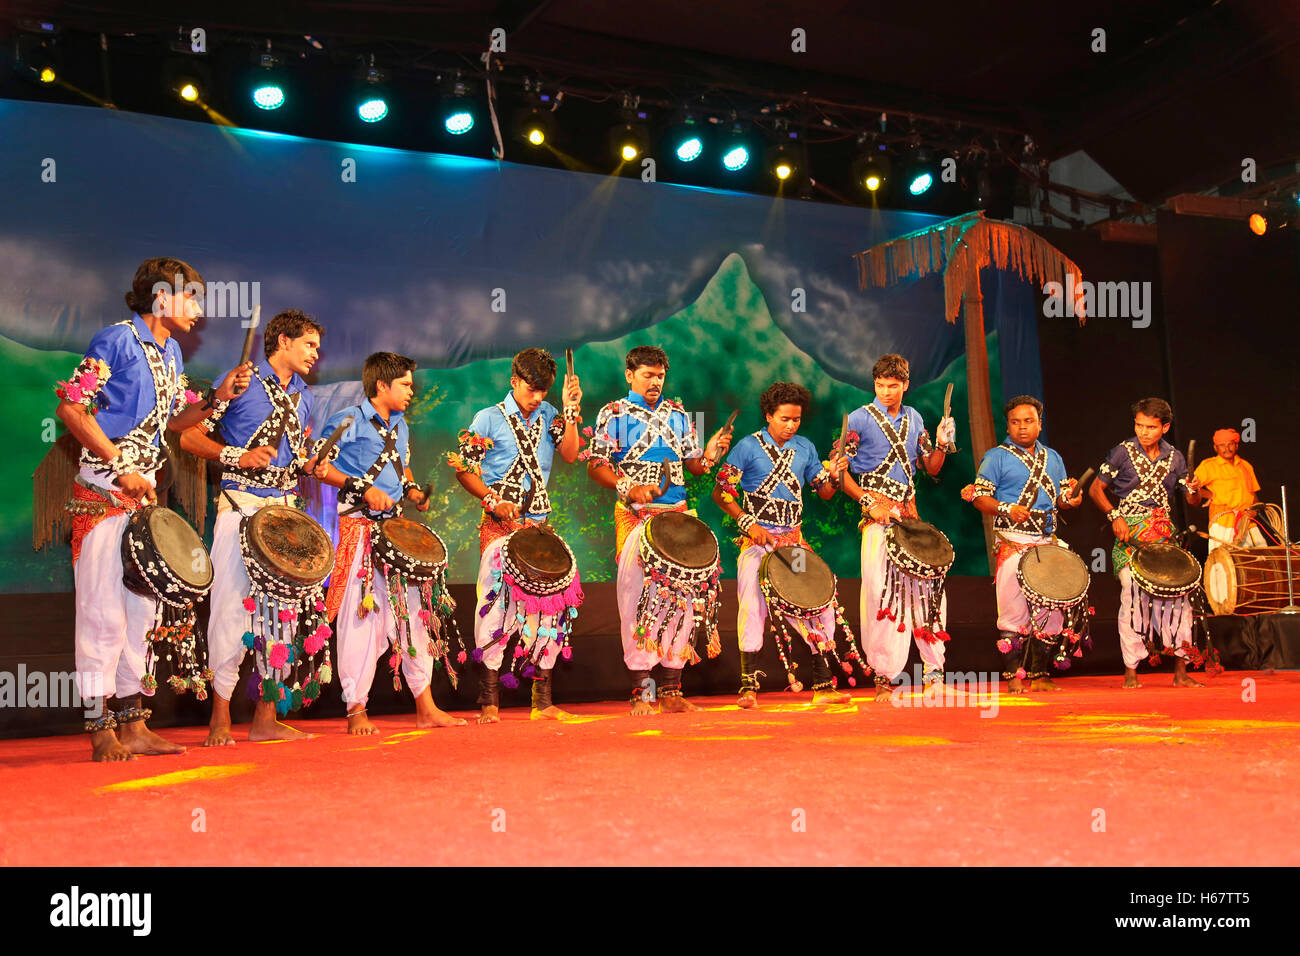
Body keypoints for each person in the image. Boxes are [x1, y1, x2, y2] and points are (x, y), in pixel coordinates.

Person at [54, 256, 249, 761]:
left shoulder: (171, 354)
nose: (199, 310)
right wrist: (119, 464)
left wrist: (219, 397)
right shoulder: (115, 341)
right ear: (163, 296)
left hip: (143, 501)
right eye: (192, 298)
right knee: (102, 614)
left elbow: (178, 423)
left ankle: (134, 725)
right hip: (103, 494)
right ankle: (100, 730)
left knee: (140, 613)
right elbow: (72, 409)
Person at [180, 309, 343, 743]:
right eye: (309, 344)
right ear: (283, 341)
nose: (316, 353)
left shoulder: (304, 395)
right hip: (241, 505)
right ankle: (219, 718)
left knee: (282, 619)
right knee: (232, 610)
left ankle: (265, 718)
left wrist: (311, 463)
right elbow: (188, 436)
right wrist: (238, 457)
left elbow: (296, 453)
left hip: (285, 515)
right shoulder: (241, 380)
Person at [322, 352, 467, 734]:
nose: (410, 391)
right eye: (404, 384)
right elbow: (319, 465)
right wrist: (362, 488)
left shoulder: (400, 426)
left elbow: (400, 467)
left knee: (414, 618)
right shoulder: (348, 420)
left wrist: (413, 490)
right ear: (381, 386)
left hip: (395, 532)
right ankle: (356, 709)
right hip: (360, 530)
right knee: (362, 620)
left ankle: (426, 706)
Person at [586, 346, 731, 715]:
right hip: (637, 518)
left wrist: (711, 453)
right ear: (629, 375)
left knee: (681, 603)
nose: (655, 382)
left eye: (660, 376)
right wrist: (628, 488)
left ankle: (671, 690)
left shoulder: (679, 414)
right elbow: (597, 465)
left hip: (679, 517)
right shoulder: (614, 413)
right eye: (648, 375)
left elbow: (695, 466)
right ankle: (641, 692)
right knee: (637, 601)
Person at [448, 348, 582, 724]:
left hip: (539, 528)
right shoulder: (488, 418)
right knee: (494, 610)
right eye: (532, 389)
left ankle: (543, 702)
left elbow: (571, 455)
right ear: (514, 381)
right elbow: (463, 469)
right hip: (498, 528)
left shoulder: (552, 416)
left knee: (549, 615)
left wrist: (570, 412)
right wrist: (493, 499)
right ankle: (489, 702)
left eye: (545, 390)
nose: (538, 397)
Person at [711, 382, 854, 707]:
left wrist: (835, 475)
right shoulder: (747, 447)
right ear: (768, 416)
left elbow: (824, 491)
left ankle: (823, 686)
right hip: (757, 545)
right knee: (752, 605)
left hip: (793, 544)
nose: (791, 425)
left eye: (796, 419)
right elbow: (721, 492)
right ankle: (748, 688)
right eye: (785, 419)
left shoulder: (804, 447)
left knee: (820, 604)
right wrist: (749, 523)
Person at [841, 353, 955, 701]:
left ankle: (934, 672)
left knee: (929, 593)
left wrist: (943, 443)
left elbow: (931, 468)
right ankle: (883, 677)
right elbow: (840, 472)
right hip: (876, 518)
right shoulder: (859, 418)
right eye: (880, 385)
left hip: (910, 517)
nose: (886, 391)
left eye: (893, 385)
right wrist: (868, 503)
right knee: (880, 592)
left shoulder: (915, 417)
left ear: (905, 384)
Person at [962, 396, 1084, 693]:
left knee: (1051, 609)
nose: (1022, 427)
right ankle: (1014, 677)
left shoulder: (1053, 458)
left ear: (1040, 424)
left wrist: (1071, 501)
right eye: (1015, 422)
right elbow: (980, 498)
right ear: (1008, 426)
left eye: (1028, 421)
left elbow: (1061, 500)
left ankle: (1040, 674)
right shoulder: (996, 457)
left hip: (1047, 542)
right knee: (1013, 609)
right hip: (1013, 541)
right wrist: (1006, 508)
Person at [1090, 397, 1206, 688]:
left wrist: (1194, 490)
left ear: (1165, 427)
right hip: (1129, 537)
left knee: (1180, 598)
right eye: (1139, 425)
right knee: (1132, 593)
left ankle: (1181, 670)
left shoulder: (1175, 457)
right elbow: (1095, 489)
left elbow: (1191, 500)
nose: (1143, 431)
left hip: (1164, 538)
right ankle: (1131, 668)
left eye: (1151, 427)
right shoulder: (1121, 452)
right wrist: (1114, 515)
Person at [1194, 428, 1264, 551]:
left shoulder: (1246, 466)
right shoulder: (1209, 465)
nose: (1227, 448)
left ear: (1236, 445)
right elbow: (1190, 487)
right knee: (1224, 563)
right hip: (1223, 523)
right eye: (1222, 445)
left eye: (1230, 444)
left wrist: (1255, 511)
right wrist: (1209, 494)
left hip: (1248, 522)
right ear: (1216, 448)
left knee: (1263, 558)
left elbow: (1254, 496)